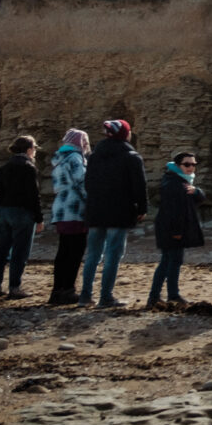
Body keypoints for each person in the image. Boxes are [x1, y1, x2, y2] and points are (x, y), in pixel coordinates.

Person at [82, 119, 147, 309]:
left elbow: (88, 184)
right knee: (113, 254)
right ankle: (106, 297)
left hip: (95, 211)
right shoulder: (131, 157)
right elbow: (139, 187)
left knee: (93, 254)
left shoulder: (94, 156)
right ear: (125, 134)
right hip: (119, 211)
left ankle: (85, 296)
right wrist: (142, 208)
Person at [147, 150, 206, 307]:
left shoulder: (182, 181)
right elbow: (172, 211)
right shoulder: (174, 183)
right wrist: (176, 232)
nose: (191, 167)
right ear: (178, 165)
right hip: (171, 229)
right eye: (187, 164)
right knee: (169, 262)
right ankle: (162, 296)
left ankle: (164, 295)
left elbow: (199, 200)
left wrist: (197, 191)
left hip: (170, 228)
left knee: (170, 261)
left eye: (193, 164)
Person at [0, 136, 42, 300]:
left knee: (0, 250)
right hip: (22, 213)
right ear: (28, 149)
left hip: (4, 212)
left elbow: (0, 194)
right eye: (34, 148)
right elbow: (34, 196)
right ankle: (14, 287)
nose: (34, 152)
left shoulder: (4, 168)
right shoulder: (29, 168)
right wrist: (39, 218)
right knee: (19, 252)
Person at [47, 129, 90, 305]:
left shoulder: (58, 159)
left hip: (60, 209)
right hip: (75, 209)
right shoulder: (75, 158)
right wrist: (92, 203)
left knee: (63, 251)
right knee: (75, 251)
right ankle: (68, 290)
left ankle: (57, 291)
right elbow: (82, 182)